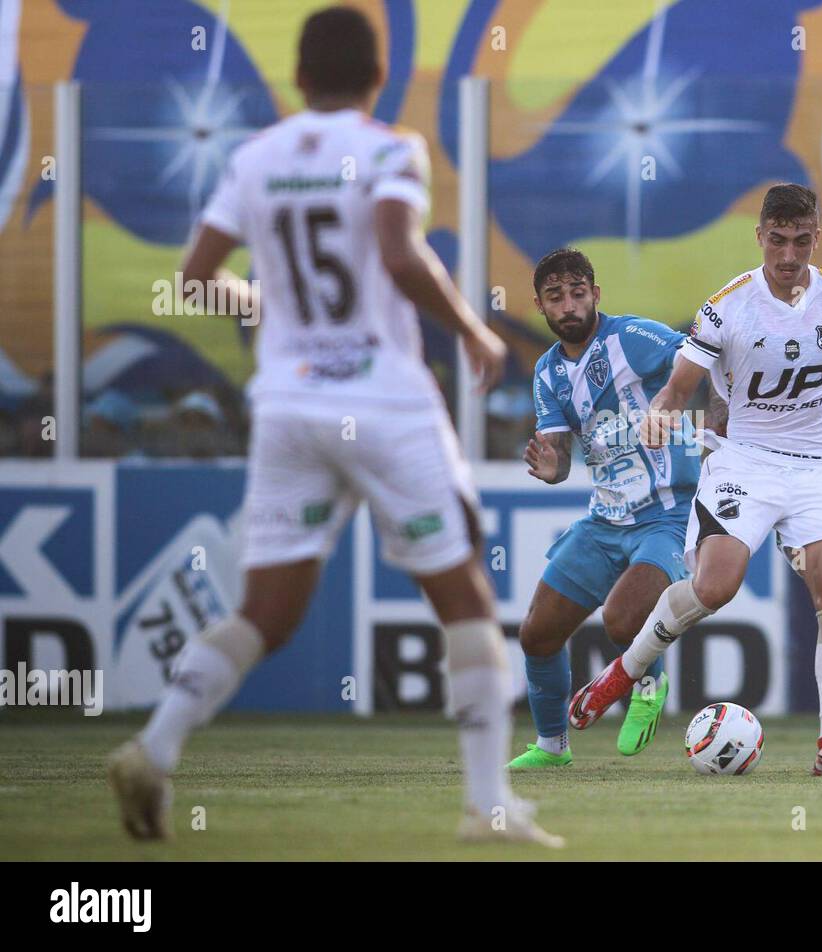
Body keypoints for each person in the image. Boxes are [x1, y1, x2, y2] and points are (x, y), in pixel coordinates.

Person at [107, 5, 560, 848]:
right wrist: (470, 328)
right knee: (464, 595)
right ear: (379, 79)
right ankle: (488, 805)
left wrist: (264, 305)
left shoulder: (255, 158)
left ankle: (155, 746)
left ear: (300, 77)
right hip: (383, 402)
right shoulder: (391, 150)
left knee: (266, 614)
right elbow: (395, 252)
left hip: (286, 407)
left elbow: (199, 276)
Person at [568, 183, 822, 777]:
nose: (788, 255)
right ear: (760, 236)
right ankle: (625, 671)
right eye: (777, 240)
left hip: (817, 464)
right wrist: (663, 408)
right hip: (743, 458)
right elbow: (681, 382)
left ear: (817, 237)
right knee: (715, 586)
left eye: (800, 240)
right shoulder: (728, 305)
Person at [510, 248, 705, 768]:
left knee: (623, 622)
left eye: (578, 293)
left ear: (596, 294)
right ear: (540, 306)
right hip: (604, 520)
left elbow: (701, 357)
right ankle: (552, 748)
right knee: (537, 634)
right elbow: (557, 454)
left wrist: (710, 419)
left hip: (667, 515)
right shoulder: (547, 372)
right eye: (556, 297)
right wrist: (552, 469)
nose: (569, 305)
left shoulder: (632, 337)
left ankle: (649, 687)